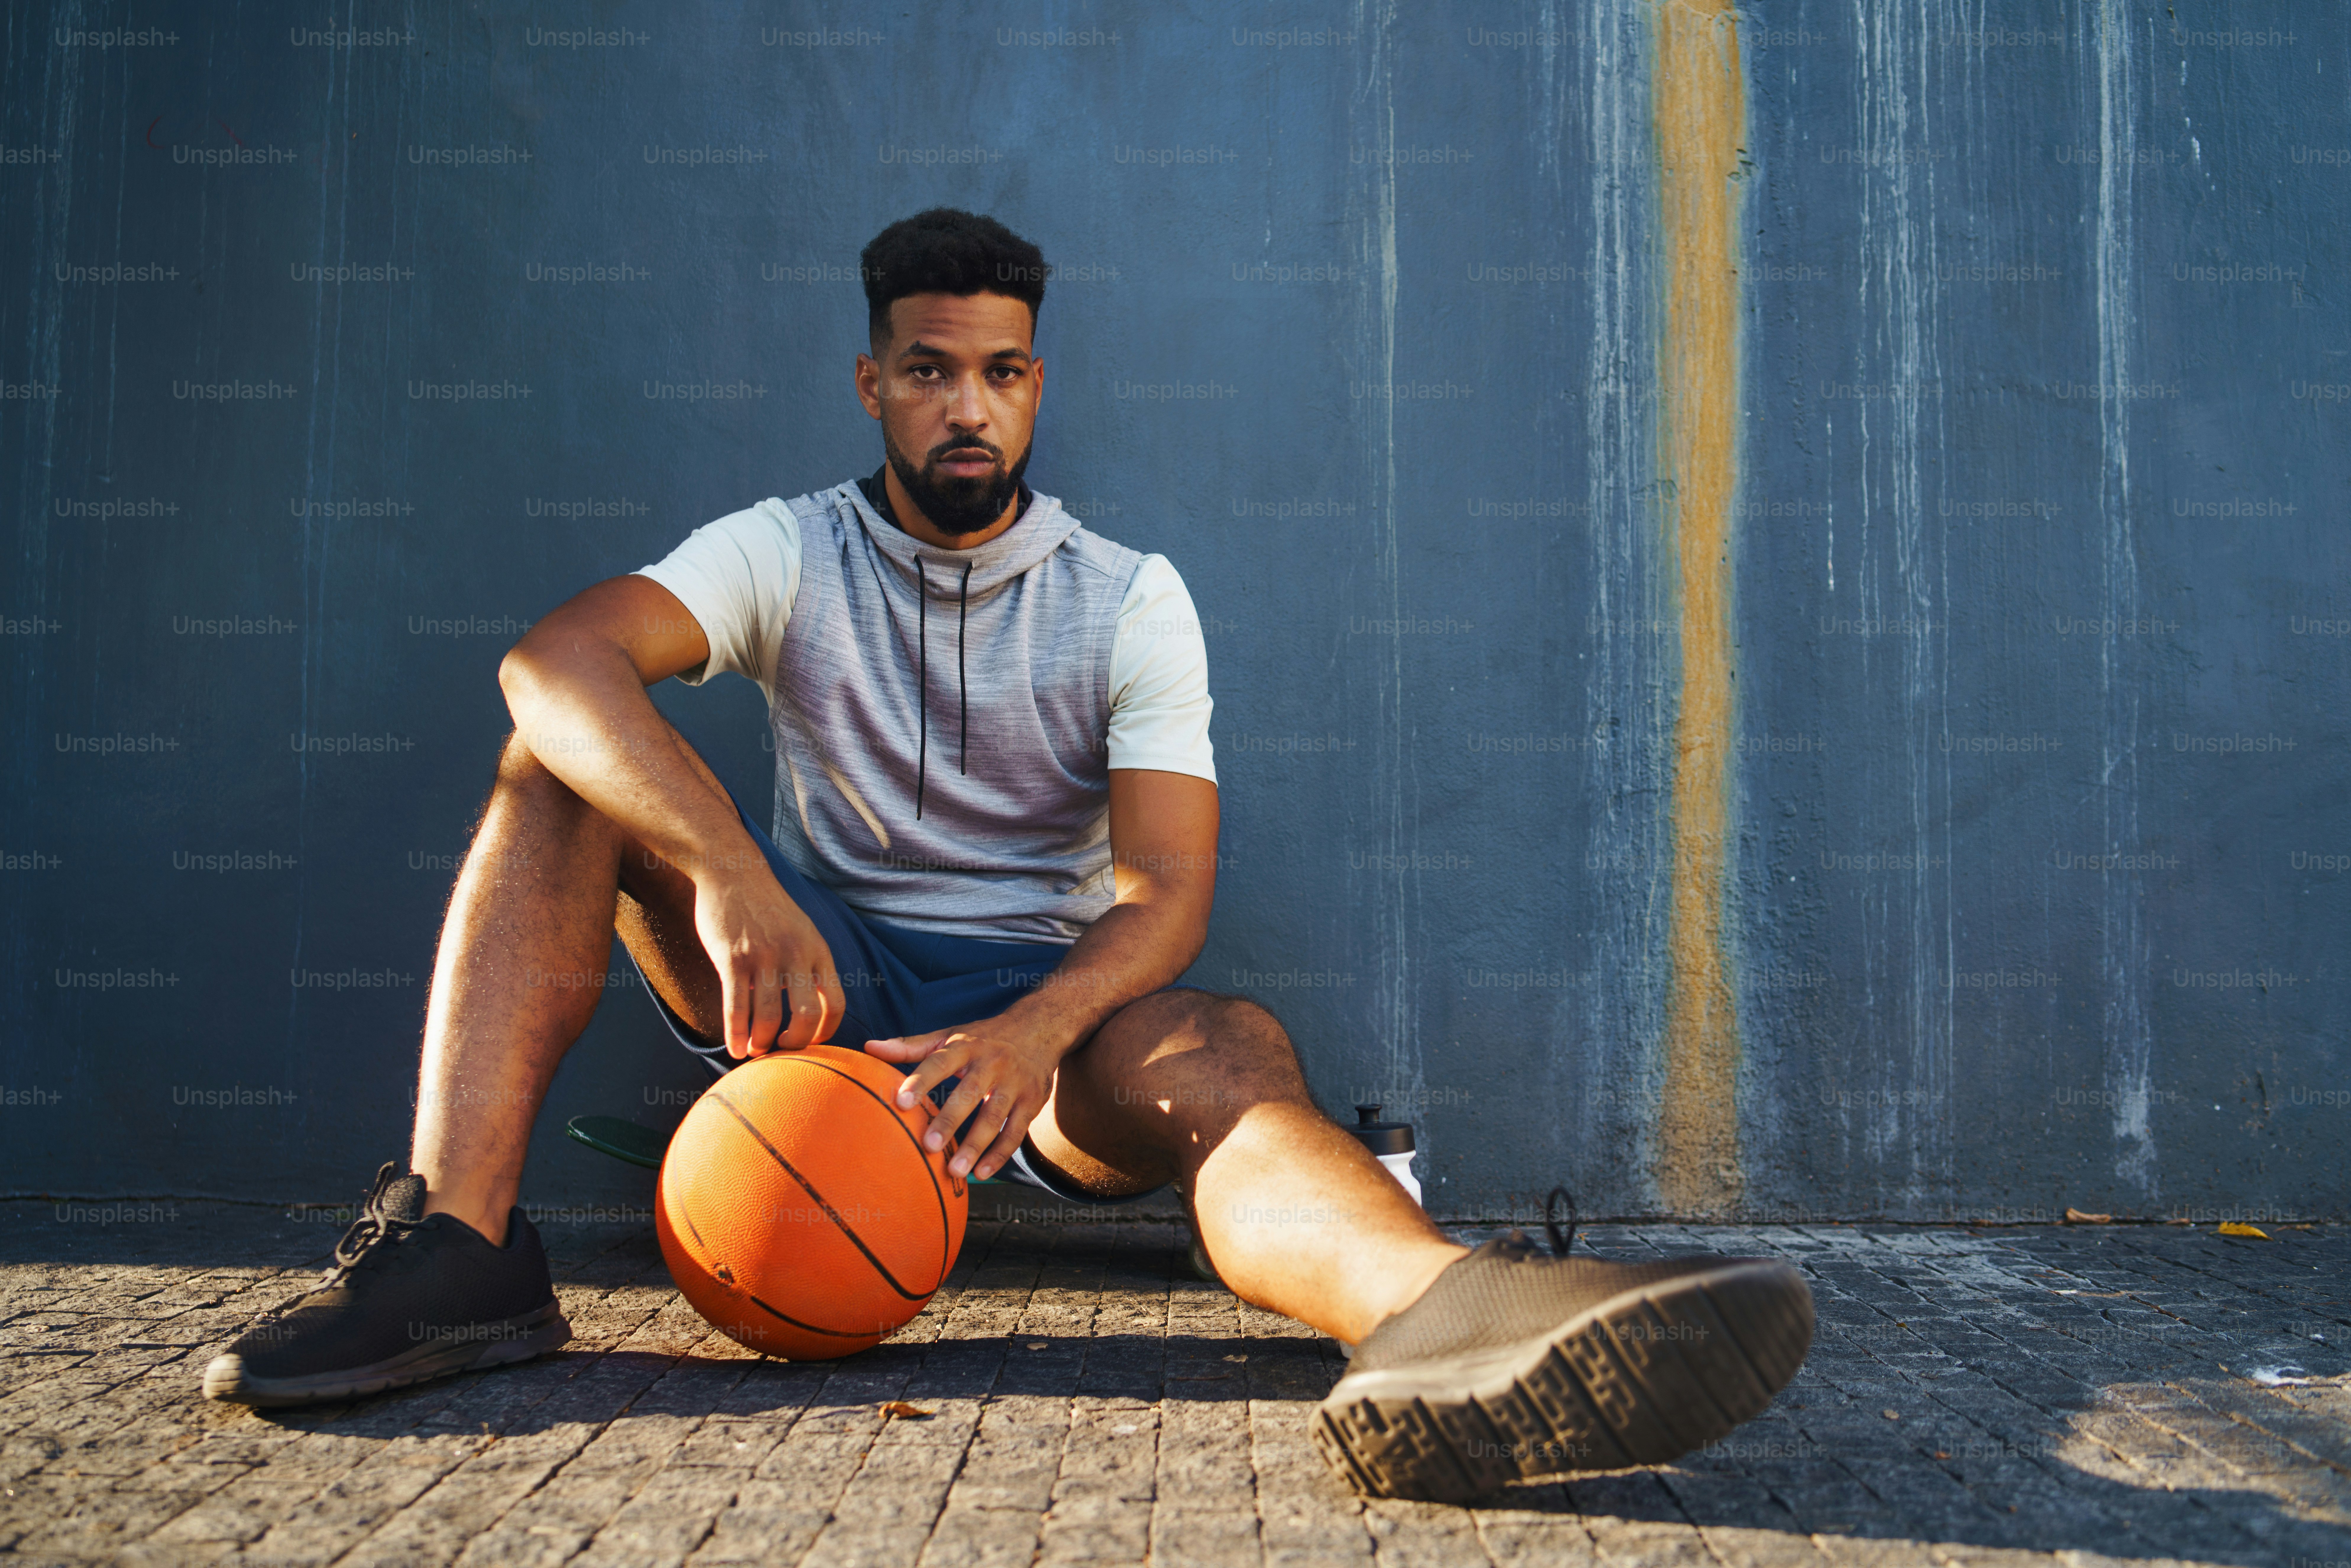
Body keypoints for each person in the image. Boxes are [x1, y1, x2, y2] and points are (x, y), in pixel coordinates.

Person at [201, 208, 1812, 1503]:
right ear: (873, 382)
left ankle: (1433, 1314)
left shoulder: (1127, 596)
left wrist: (1035, 1032)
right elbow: (553, 664)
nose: (965, 403)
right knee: (553, 776)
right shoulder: (788, 549)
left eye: (1001, 371)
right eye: (928, 369)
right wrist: (733, 873)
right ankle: (462, 1247)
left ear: (1037, 386)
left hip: (1042, 1031)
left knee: (1231, 1045)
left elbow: (1167, 893)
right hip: (808, 987)